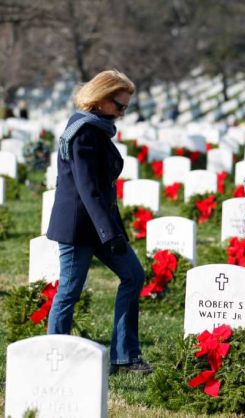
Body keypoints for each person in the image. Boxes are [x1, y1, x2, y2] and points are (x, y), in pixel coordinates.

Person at [46, 70, 150, 374]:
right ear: (100, 99)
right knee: (69, 291)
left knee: (133, 276)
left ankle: (124, 355)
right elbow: (88, 189)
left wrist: (110, 230)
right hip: (80, 227)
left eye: (126, 108)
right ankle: (54, 354)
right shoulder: (84, 132)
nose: (122, 113)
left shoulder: (95, 128)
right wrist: (110, 233)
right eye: (119, 106)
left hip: (100, 224)